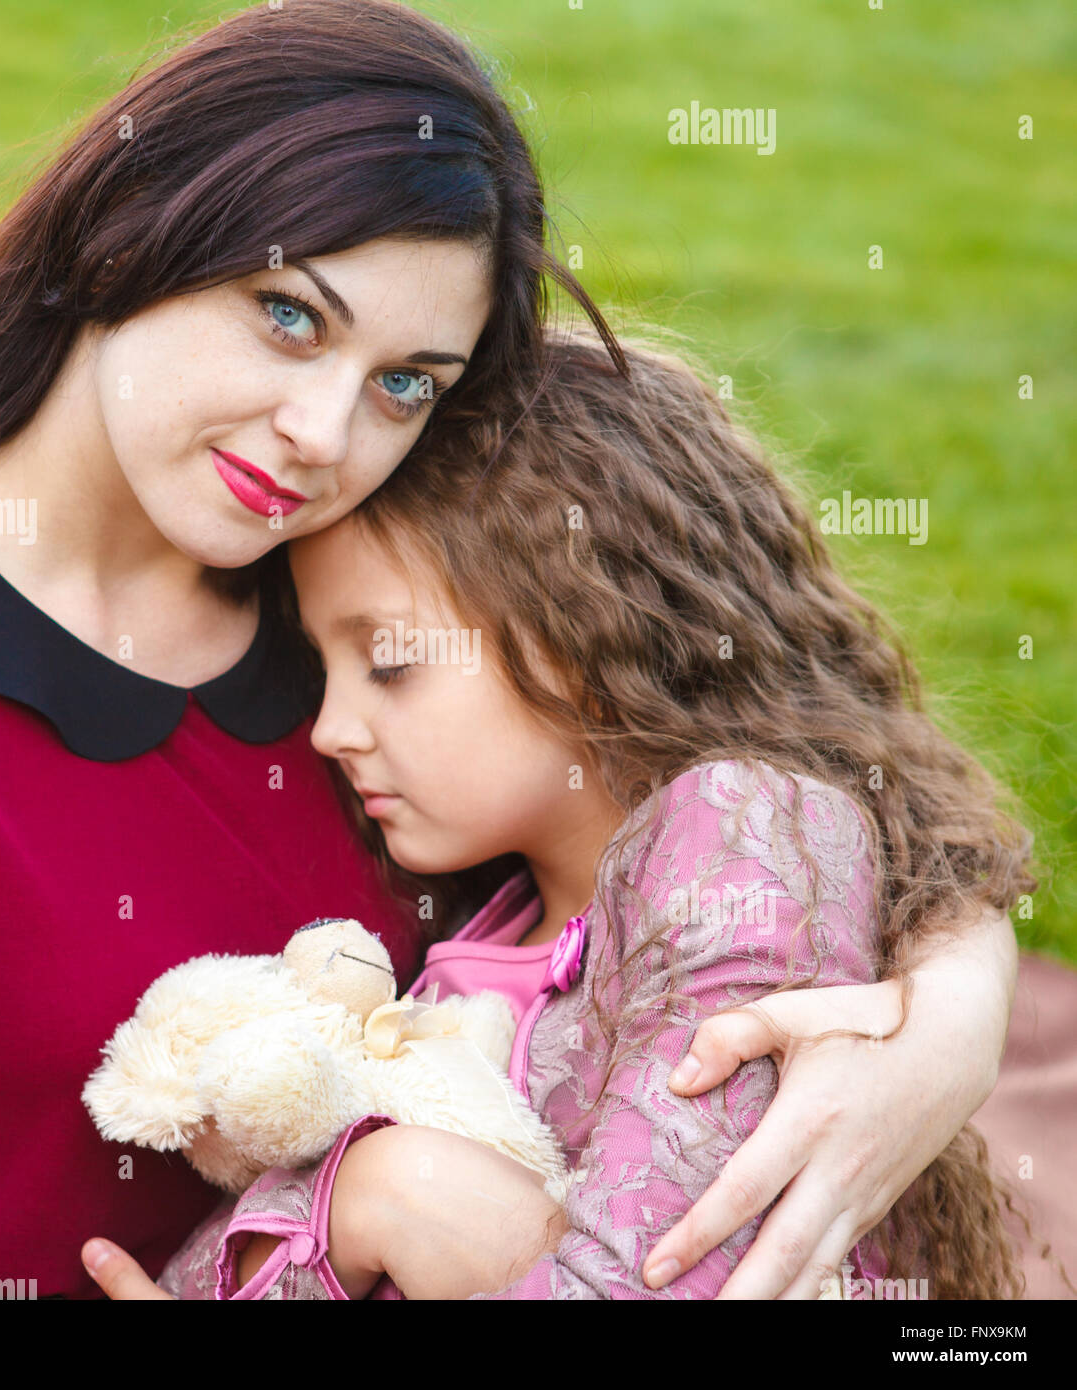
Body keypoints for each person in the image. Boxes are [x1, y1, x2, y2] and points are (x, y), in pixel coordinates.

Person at [0, 1, 1015, 1302]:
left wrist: (946, 1027)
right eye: (290, 315)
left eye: (407, 380)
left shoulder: (363, 578)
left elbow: (788, 753)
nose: (325, 430)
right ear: (124, 225)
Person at [96, 332, 1032, 1300]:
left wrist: (399, 1193)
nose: (331, 730)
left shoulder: (741, 829)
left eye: (389, 663)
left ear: (584, 631)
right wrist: (359, 1208)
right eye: (319, 671)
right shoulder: (481, 925)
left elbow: (674, 1275)